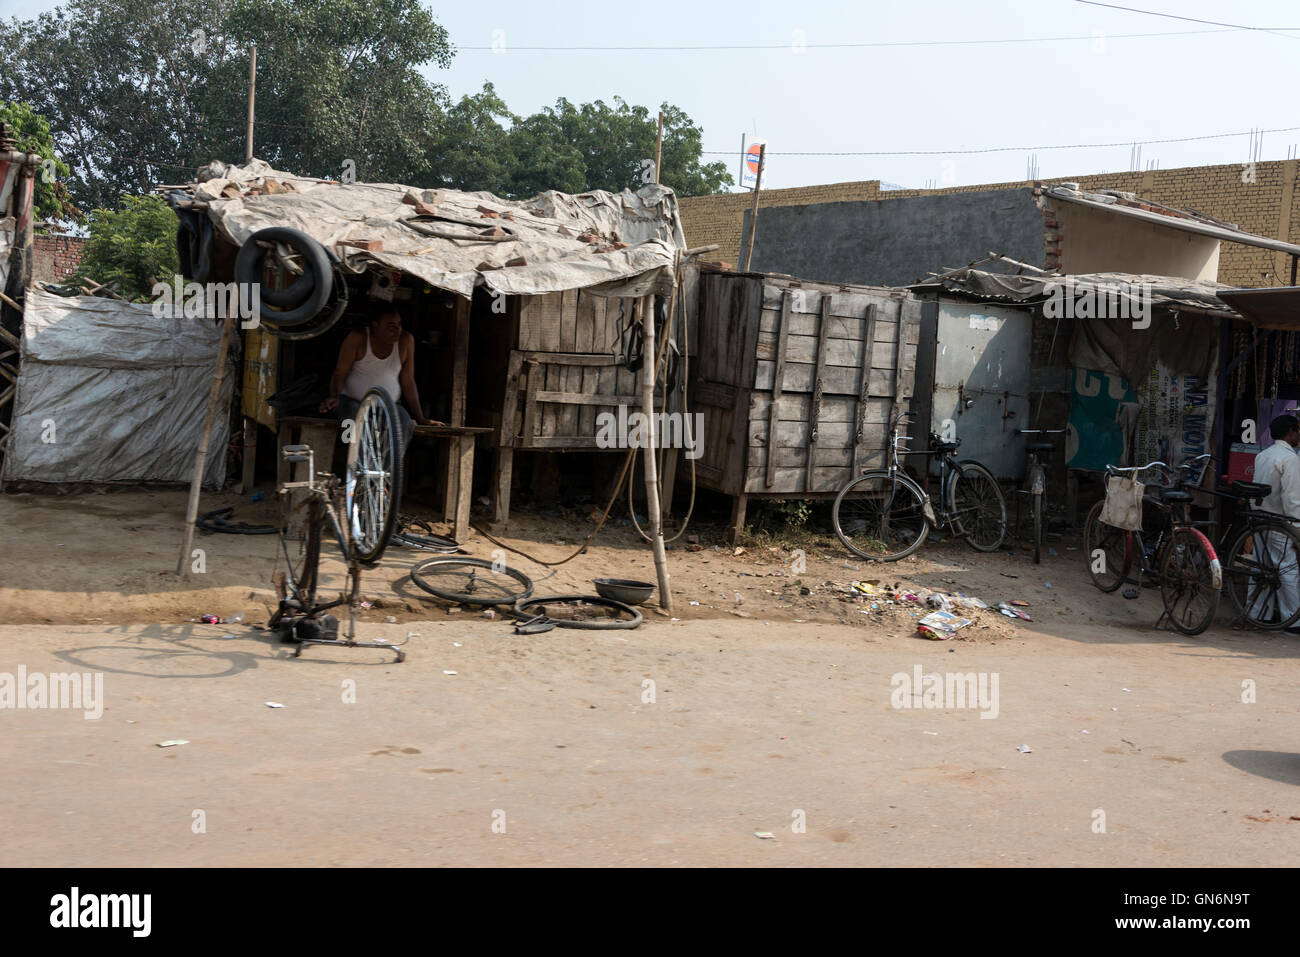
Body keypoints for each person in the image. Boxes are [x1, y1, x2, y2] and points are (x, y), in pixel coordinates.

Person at [319, 308, 440, 450]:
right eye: (391, 326)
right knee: (352, 425)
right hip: (352, 402)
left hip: (389, 405)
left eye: (399, 325)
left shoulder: (406, 341)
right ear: (375, 327)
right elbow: (340, 372)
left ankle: (388, 471)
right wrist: (335, 396)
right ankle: (356, 464)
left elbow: (408, 382)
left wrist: (421, 418)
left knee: (405, 423)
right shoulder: (359, 337)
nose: (397, 330)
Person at [1252, 414, 1300, 630]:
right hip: (1279, 522)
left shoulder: (1263, 455)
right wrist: (1296, 529)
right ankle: (1293, 621)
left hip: (1260, 518)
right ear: (1291, 432)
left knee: (1262, 567)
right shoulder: (1290, 459)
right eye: (1297, 430)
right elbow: (1292, 499)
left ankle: (1258, 613)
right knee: (1288, 570)